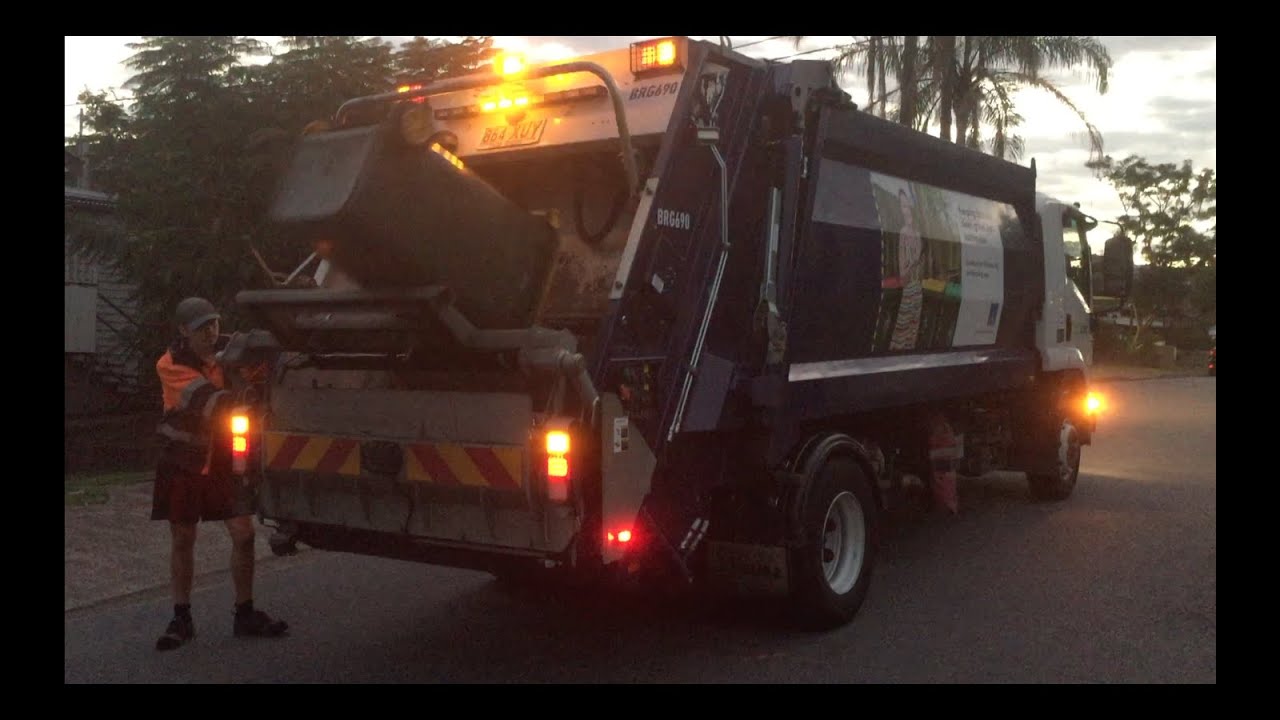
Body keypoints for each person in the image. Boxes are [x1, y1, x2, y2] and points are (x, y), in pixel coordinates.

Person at [151, 297, 288, 651]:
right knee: (183, 538)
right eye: (202, 328)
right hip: (183, 462)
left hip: (225, 461)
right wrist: (250, 397)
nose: (211, 333)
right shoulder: (170, 365)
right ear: (184, 331)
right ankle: (181, 618)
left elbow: (263, 368)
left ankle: (245, 614)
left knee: (243, 534)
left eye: (213, 325)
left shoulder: (230, 353)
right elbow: (211, 402)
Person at [888, 188, 926, 351]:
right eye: (902, 206)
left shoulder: (918, 233)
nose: (906, 210)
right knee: (901, 338)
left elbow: (921, 267)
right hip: (908, 291)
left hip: (917, 291)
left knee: (912, 336)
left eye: (908, 205)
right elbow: (904, 273)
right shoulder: (904, 232)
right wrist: (914, 263)